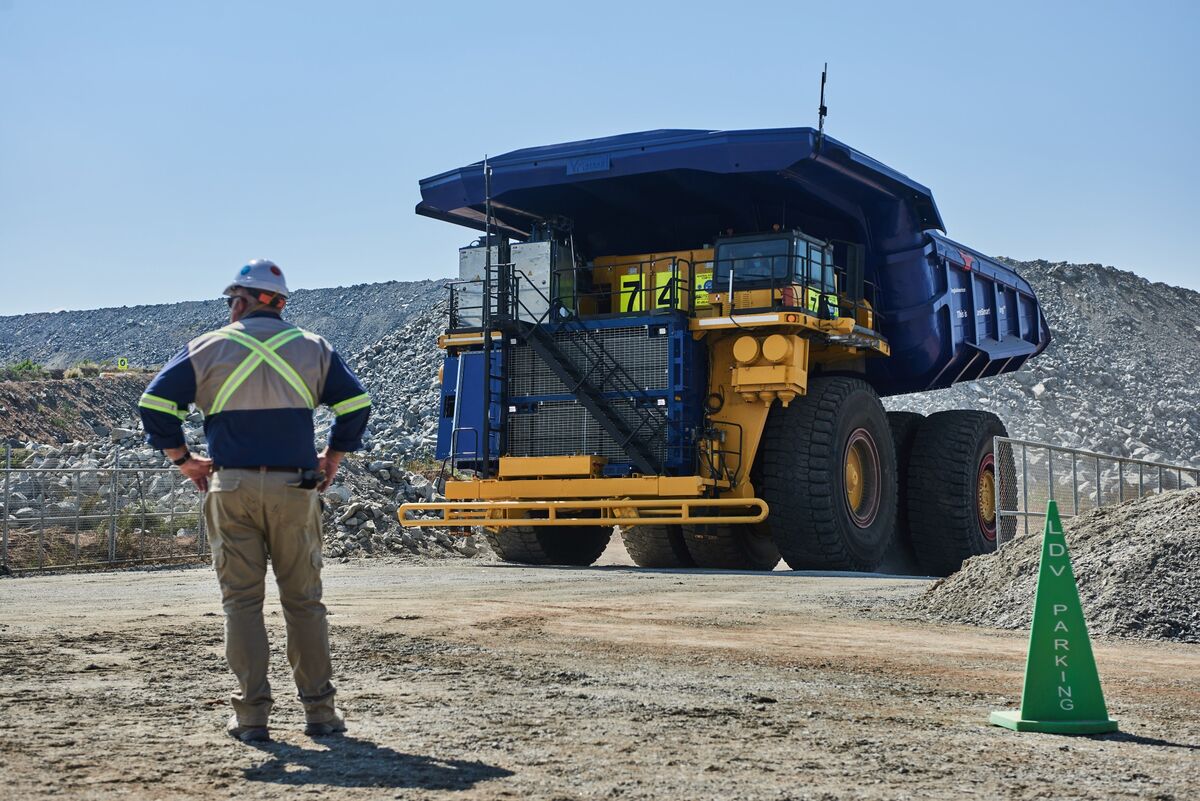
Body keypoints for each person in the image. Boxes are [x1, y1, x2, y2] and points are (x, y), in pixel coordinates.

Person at [137, 259, 371, 743]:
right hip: (295, 489)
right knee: (303, 603)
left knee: (242, 604)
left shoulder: (205, 348)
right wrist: (333, 457)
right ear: (280, 303)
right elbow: (355, 405)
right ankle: (321, 714)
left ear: (241, 301)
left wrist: (184, 460)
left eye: (231, 302)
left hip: (232, 488)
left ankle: (251, 718)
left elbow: (155, 404)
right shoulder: (314, 348)